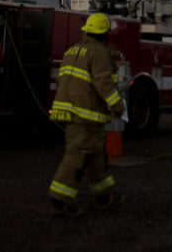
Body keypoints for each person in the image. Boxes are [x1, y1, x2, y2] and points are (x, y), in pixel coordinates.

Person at [47, 13, 126, 217]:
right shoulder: (99, 53)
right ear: (105, 34)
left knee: (95, 157)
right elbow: (103, 83)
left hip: (74, 113)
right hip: (85, 115)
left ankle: (103, 196)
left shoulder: (73, 50)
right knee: (77, 155)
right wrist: (118, 106)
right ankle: (60, 199)